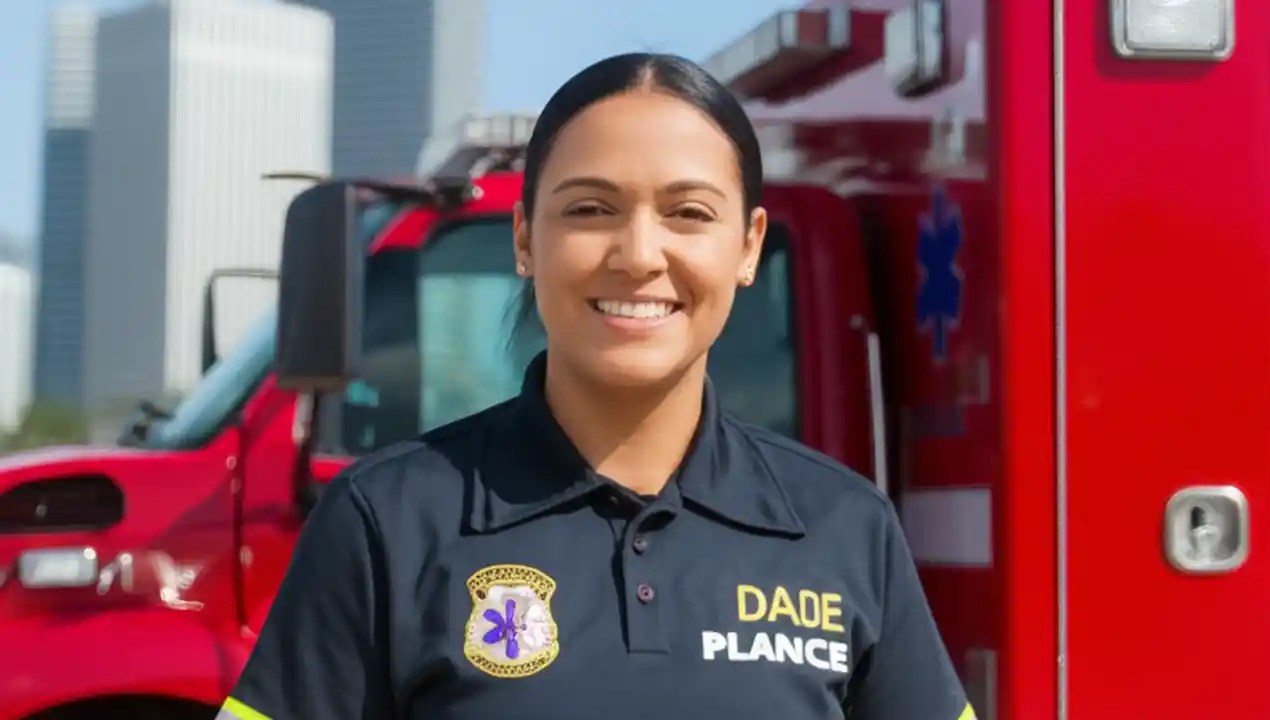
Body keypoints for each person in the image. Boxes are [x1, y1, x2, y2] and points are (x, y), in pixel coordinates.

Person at [217, 52, 975, 720]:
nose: (639, 254)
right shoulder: (383, 521)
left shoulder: (846, 527)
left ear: (747, 247)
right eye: (590, 209)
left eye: (688, 213)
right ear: (525, 238)